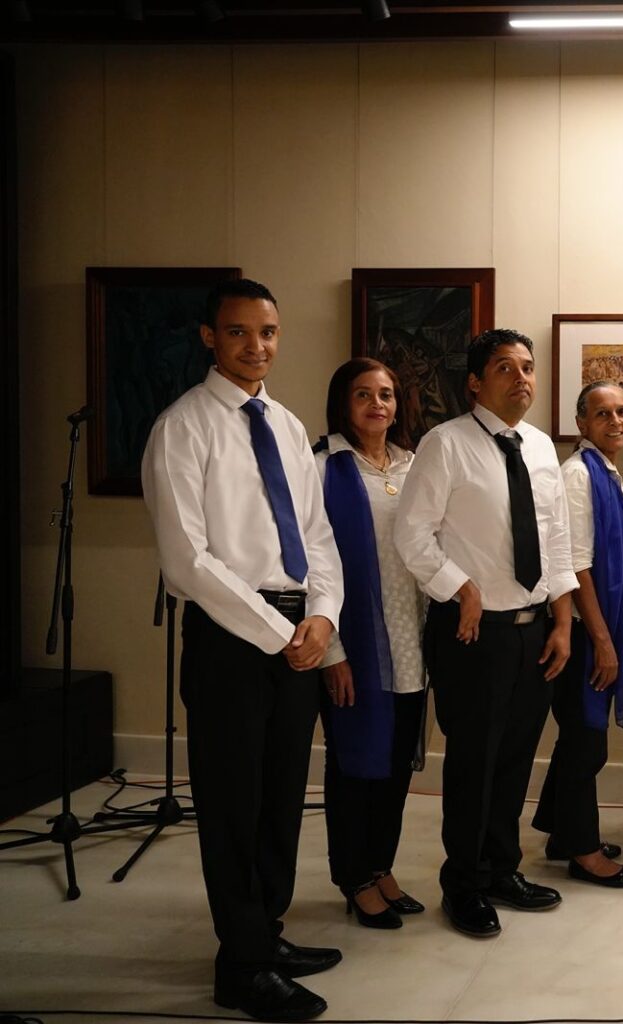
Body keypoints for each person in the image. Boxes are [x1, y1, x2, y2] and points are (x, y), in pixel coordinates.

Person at [143, 278, 343, 1021]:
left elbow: (317, 536)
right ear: (209, 337)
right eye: (238, 333)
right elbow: (187, 560)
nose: (255, 346)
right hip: (232, 640)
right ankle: (243, 967)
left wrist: (321, 617)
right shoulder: (183, 427)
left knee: (283, 799)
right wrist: (276, 631)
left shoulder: (289, 427)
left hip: (299, 634)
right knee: (233, 805)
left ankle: (268, 933)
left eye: (267, 333)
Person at [394, 328, 578, 938]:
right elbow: (412, 535)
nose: (522, 378)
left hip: (533, 632)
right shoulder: (443, 445)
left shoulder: (541, 446)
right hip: (472, 632)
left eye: (527, 367)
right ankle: (464, 881)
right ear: (476, 382)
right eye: (505, 368)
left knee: (517, 757)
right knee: (475, 761)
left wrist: (563, 618)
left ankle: (502, 868)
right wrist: (460, 587)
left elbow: (554, 539)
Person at [314, 358, 428, 930]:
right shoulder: (321, 466)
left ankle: (381, 866)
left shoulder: (415, 466)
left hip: (411, 643)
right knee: (355, 766)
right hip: (354, 642)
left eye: (386, 394)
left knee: (395, 767)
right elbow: (312, 562)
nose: (377, 404)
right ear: (343, 402)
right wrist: (331, 653)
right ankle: (354, 877)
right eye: (364, 394)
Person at [531, 381, 623, 890]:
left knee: (580, 737)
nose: (616, 421)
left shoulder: (605, 469)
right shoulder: (578, 475)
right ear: (582, 423)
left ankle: (560, 830)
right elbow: (575, 565)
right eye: (603, 414)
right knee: (586, 742)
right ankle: (583, 850)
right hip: (580, 632)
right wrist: (602, 641)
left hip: (598, 629)